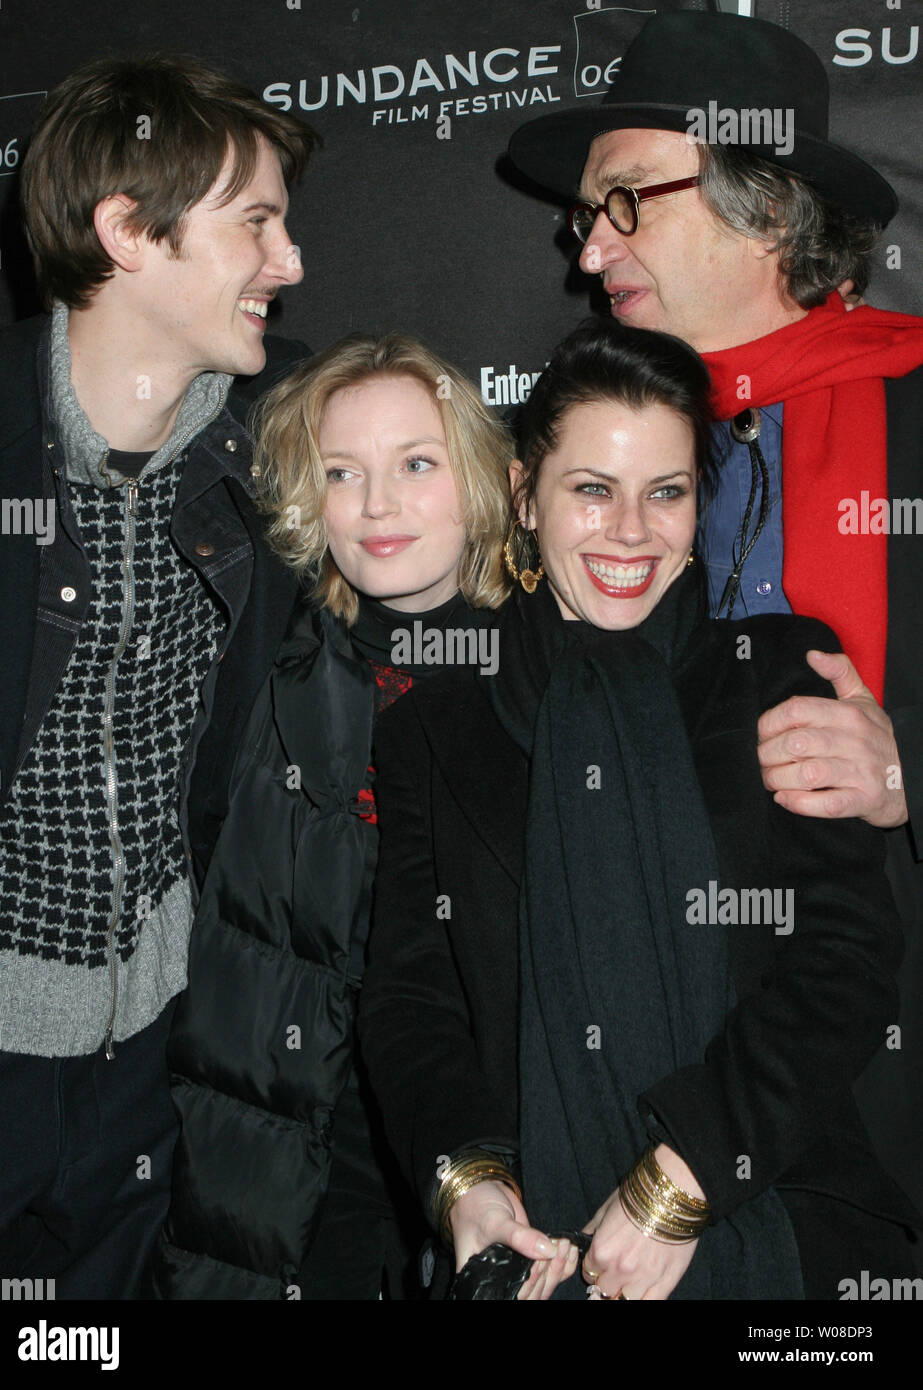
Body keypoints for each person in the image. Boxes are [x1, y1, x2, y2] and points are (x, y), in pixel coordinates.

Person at [358, 318, 921, 1301]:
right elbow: (413, 1002)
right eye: (591, 490)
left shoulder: (777, 675)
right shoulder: (437, 726)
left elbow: (841, 967)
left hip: (775, 1222)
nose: (630, 530)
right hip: (530, 1250)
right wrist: (469, 1186)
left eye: (664, 492)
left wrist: (681, 1177)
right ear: (526, 497)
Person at [506, 10, 923, 1233]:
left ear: (770, 207)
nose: (590, 252)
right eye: (587, 214)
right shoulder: (592, 450)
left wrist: (906, 761)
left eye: (625, 200)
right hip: (646, 1075)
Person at [0, 53, 317, 1298]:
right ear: (126, 231)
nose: (288, 262)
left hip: (162, 1057)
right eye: (256, 225)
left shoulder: (288, 435)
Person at [151, 333, 513, 1299]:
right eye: (341, 472)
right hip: (292, 1166)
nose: (378, 504)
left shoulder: (547, 674)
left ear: (480, 476)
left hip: (493, 1148)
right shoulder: (265, 675)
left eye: (416, 464)